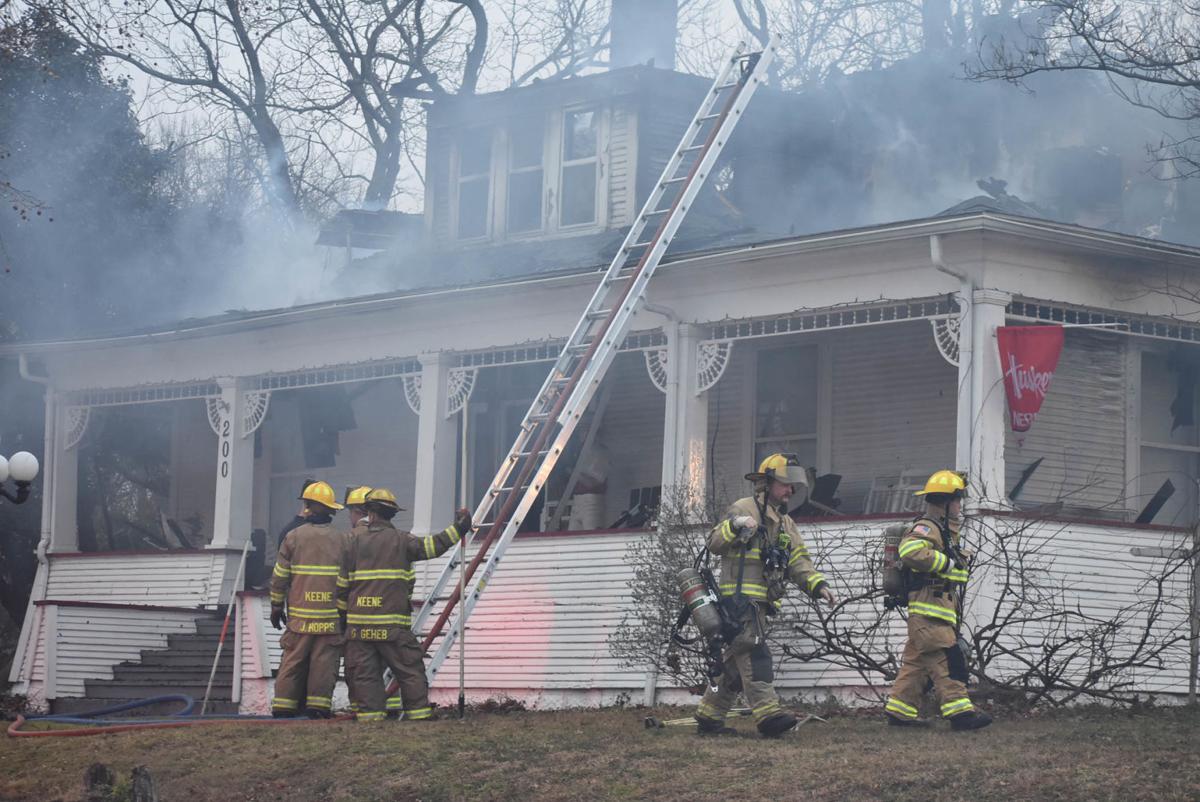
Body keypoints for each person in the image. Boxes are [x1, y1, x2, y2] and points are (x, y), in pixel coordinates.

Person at [694, 453, 837, 738]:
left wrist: (817, 586)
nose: (790, 491)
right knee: (756, 654)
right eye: (785, 484)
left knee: (735, 665)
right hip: (738, 601)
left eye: (792, 486)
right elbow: (714, 543)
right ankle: (768, 715)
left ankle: (709, 717)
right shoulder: (744, 508)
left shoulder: (785, 523)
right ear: (767, 483)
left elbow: (799, 561)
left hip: (762, 603)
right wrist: (734, 526)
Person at [340, 488, 471, 722]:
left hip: (359, 627)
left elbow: (342, 583)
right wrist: (458, 528)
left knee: (365, 676)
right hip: (392, 626)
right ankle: (419, 715)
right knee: (409, 670)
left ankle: (371, 720)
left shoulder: (353, 541)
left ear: (369, 513)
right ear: (392, 514)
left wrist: (342, 617)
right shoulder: (402, 541)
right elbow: (433, 546)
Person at [884, 470, 992, 731]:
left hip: (936, 611)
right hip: (928, 612)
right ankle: (961, 714)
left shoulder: (945, 531)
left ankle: (899, 713)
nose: (960, 506)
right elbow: (909, 550)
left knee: (916, 665)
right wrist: (947, 562)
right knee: (949, 658)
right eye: (958, 500)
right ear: (945, 502)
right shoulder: (928, 527)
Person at [269, 480, 348, 718]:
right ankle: (318, 707)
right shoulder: (343, 540)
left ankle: (283, 706)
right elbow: (347, 579)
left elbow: (280, 576)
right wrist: (344, 613)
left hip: (300, 617)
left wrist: (275, 606)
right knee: (324, 664)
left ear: (307, 506)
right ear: (332, 510)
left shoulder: (293, 537)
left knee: (292, 661)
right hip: (329, 617)